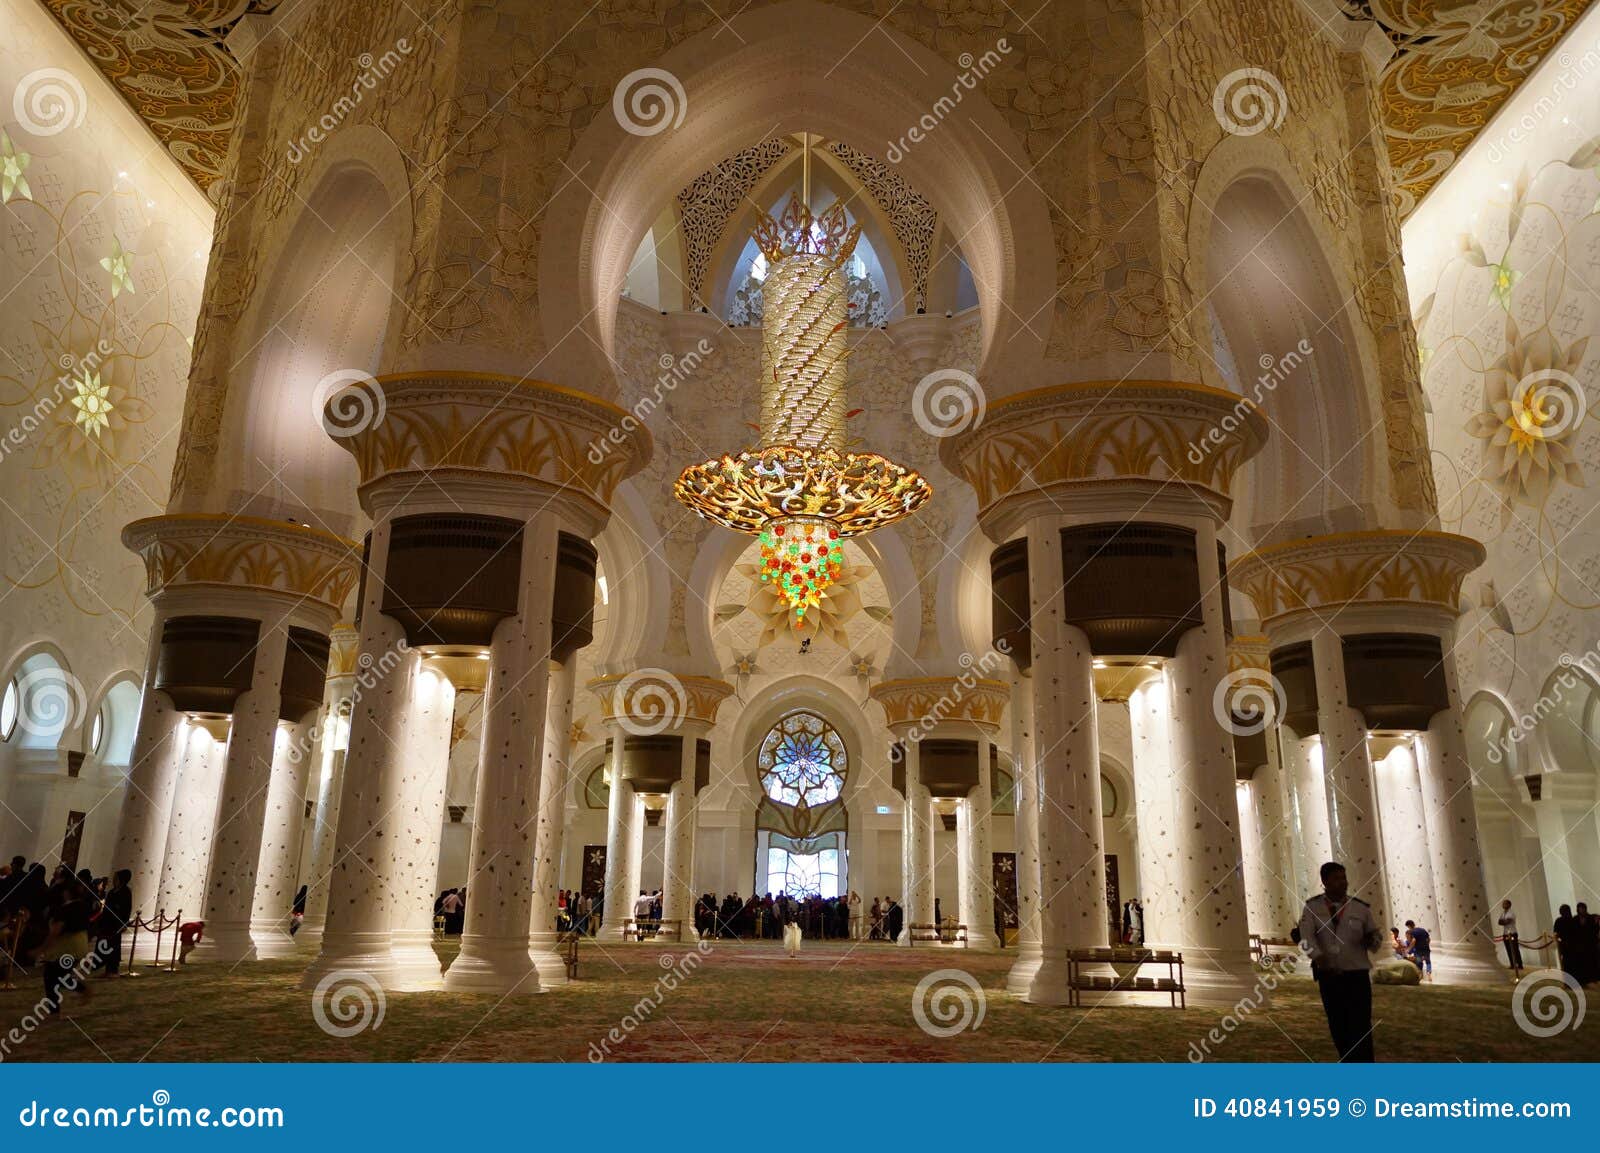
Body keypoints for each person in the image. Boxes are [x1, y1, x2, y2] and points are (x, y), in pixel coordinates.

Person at [1297, 861, 1381, 1062]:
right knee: (1338, 1024)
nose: (1342, 883)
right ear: (1325, 881)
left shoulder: (1360, 909)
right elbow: (1305, 939)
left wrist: (1372, 940)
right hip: (1330, 976)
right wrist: (1318, 957)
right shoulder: (1312, 908)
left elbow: (1376, 938)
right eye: (1336, 879)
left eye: (1344, 878)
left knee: (1361, 1024)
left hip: (1357, 974)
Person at [98, 869, 133, 976]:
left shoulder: (126, 891)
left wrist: (124, 923)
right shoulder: (112, 892)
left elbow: (127, 908)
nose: (113, 880)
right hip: (108, 922)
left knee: (114, 946)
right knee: (106, 944)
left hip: (117, 923)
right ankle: (107, 968)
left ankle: (113, 969)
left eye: (116, 877)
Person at [1496, 899, 1523, 977]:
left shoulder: (1512, 912)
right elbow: (1499, 922)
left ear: (1509, 905)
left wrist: (1504, 921)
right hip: (1505, 933)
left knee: (1515, 949)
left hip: (1512, 933)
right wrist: (1503, 921)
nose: (1503, 905)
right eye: (1503, 904)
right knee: (1508, 949)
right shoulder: (1503, 913)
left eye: (1505, 904)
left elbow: (1508, 921)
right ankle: (1512, 964)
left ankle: (1519, 964)